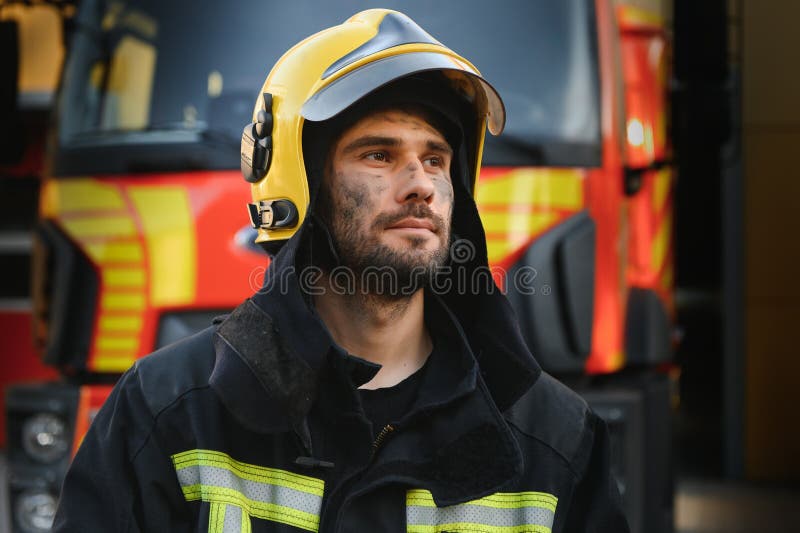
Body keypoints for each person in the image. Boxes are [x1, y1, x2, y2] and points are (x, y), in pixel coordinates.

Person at [54, 9, 629, 533]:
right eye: (378, 155)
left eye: (435, 159)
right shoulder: (167, 412)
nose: (421, 186)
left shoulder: (556, 439)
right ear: (301, 185)